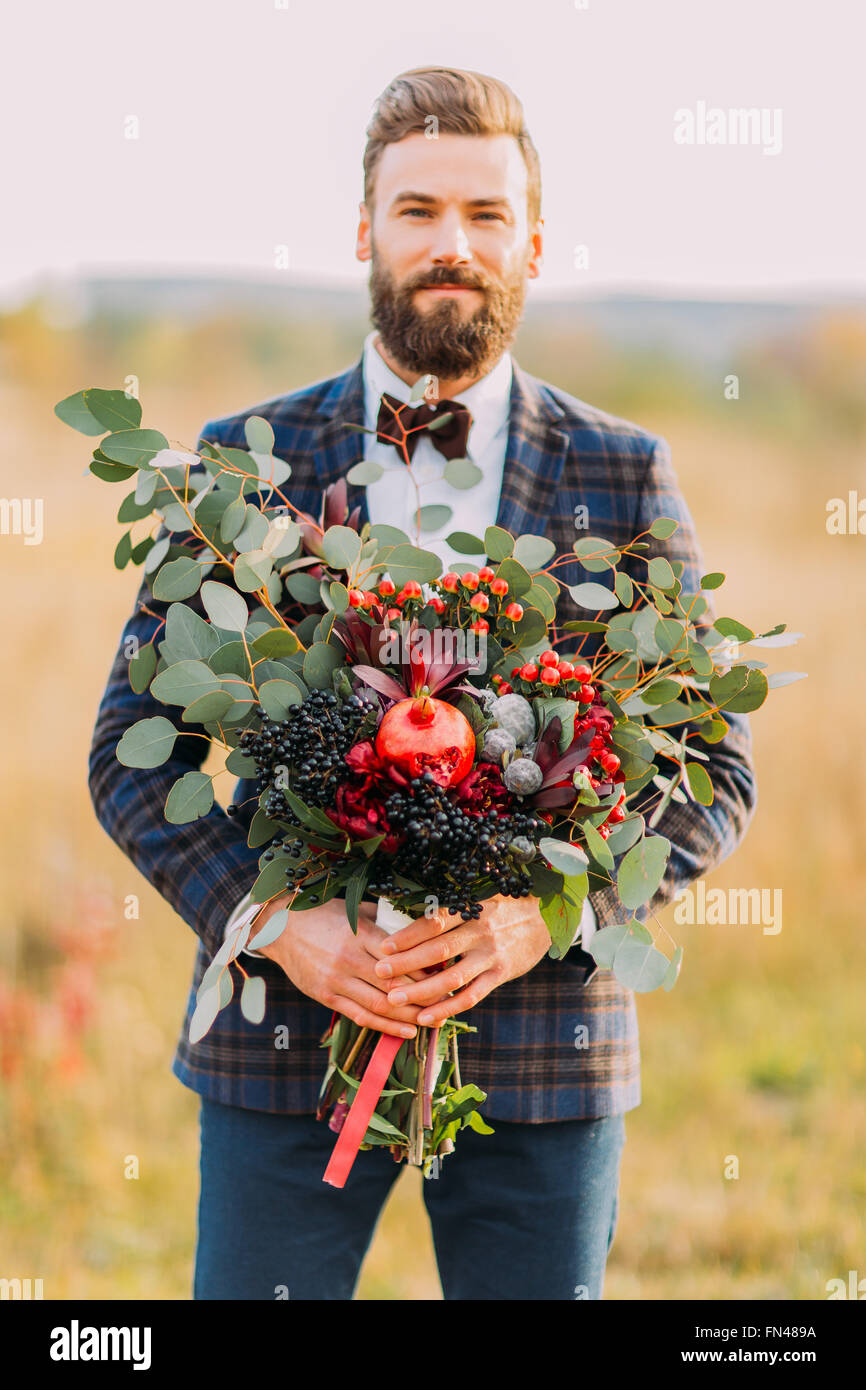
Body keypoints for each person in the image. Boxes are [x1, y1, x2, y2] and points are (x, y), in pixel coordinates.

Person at [88, 66, 757, 1301]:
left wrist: (537, 917)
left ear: (532, 245)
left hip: (544, 1045)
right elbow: (132, 748)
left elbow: (713, 769)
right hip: (282, 1043)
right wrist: (281, 925)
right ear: (363, 232)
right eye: (416, 210)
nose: (451, 244)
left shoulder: (623, 471)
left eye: (485, 215)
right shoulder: (241, 468)